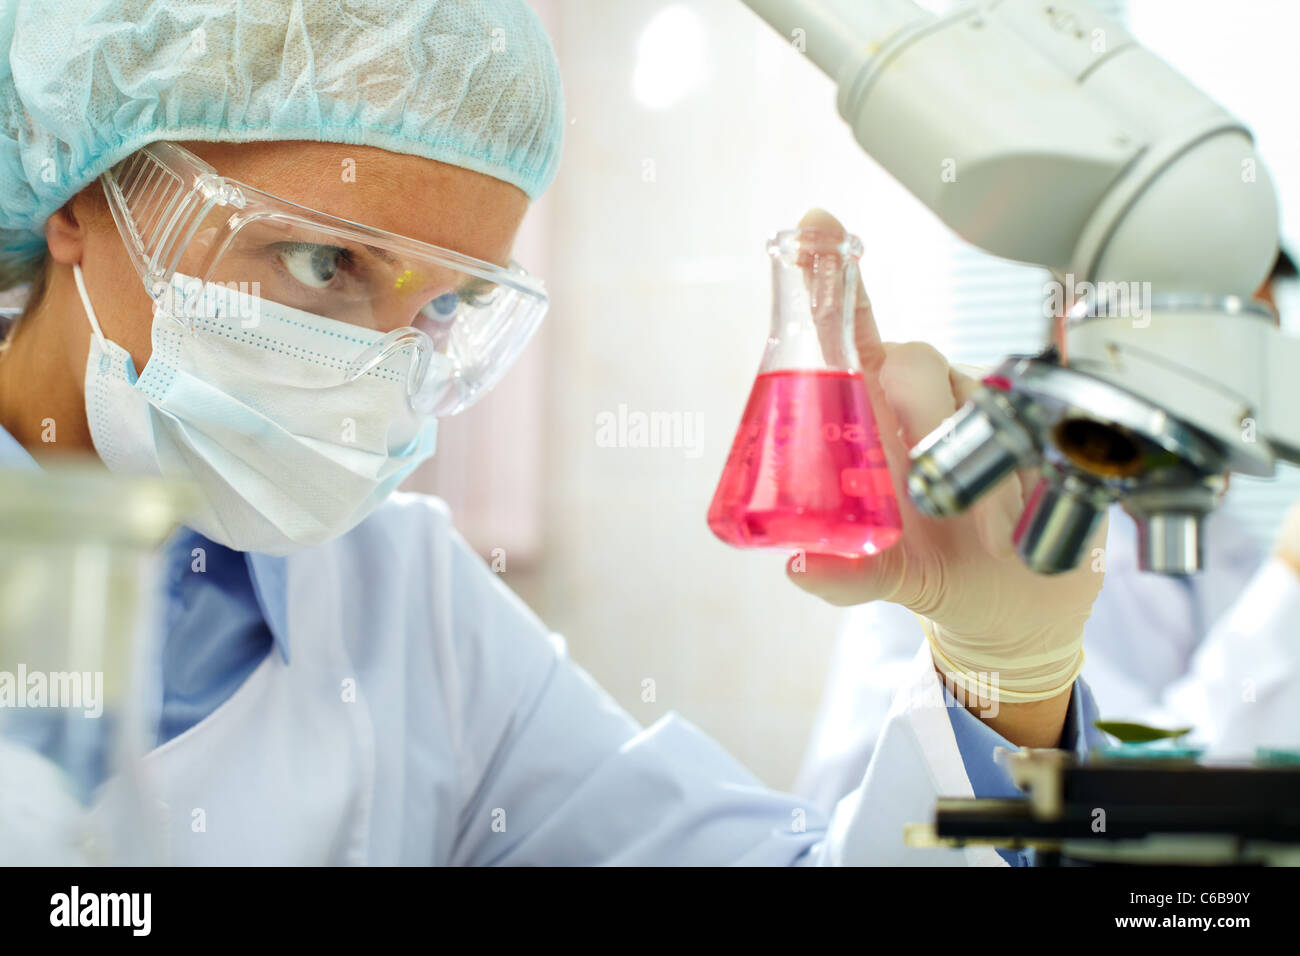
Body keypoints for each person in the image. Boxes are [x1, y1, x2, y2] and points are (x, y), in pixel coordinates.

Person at [0, 0, 1109, 866]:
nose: (378, 373)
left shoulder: (411, 606)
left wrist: (1002, 687)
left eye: (443, 308)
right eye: (320, 261)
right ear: (82, 199)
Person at [797, 250, 1300, 813]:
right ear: (1086, 326)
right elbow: (1127, 790)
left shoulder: (1230, 549)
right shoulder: (963, 541)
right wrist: (1290, 582)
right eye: (1225, 354)